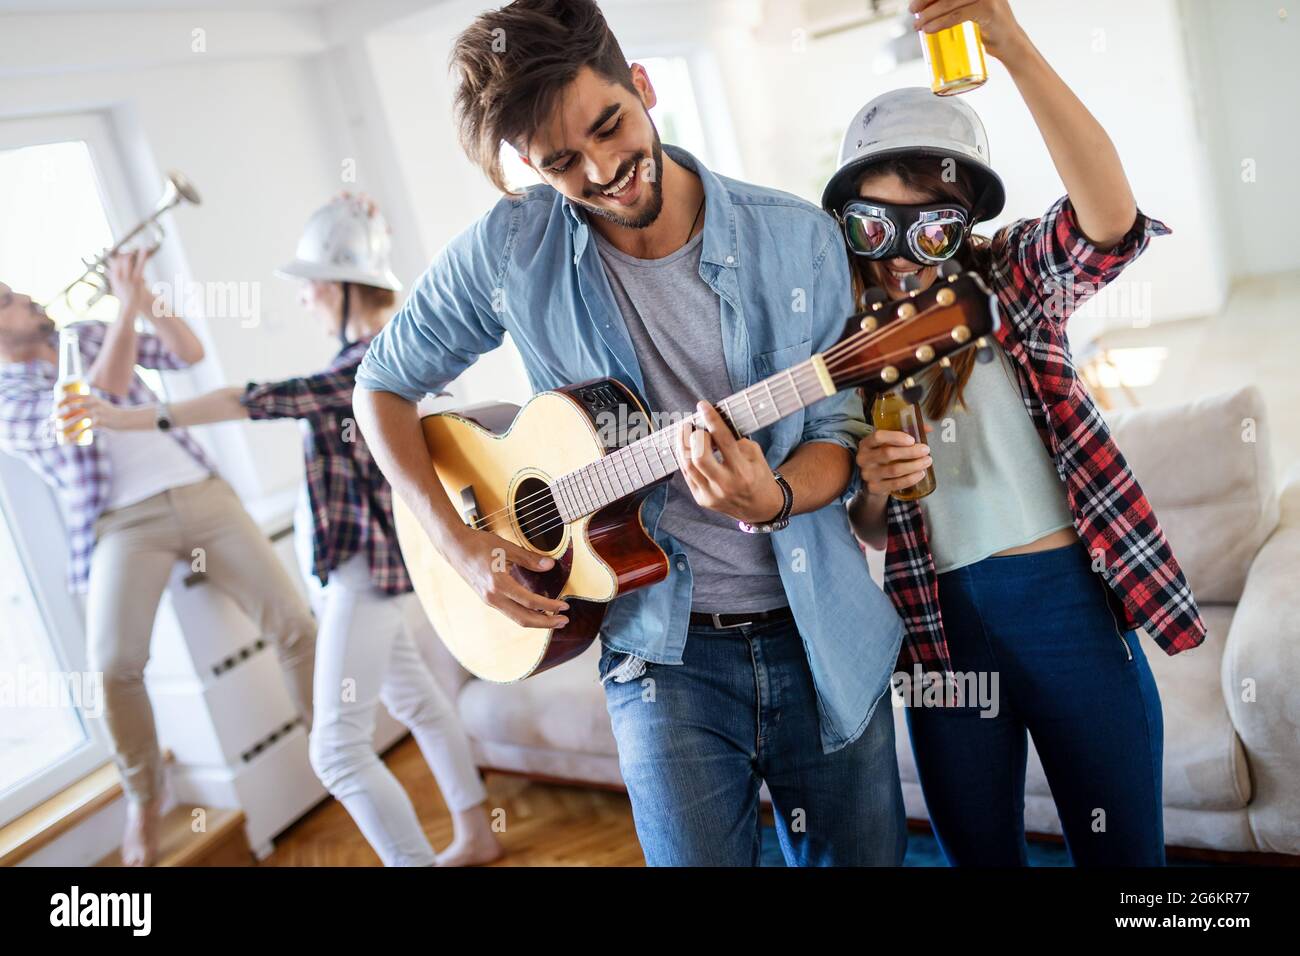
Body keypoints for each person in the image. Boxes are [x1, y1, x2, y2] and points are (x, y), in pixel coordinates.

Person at [350, 0, 906, 868]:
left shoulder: (797, 236)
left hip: (822, 631)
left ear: (642, 86)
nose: (606, 170)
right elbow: (379, 386)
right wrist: (459, 546)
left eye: (610, 125)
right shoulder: (513, 249)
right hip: (658, 650)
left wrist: (780, 493)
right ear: (530, 168)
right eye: (563, 162)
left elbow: (839, 427)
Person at [828, 0, 1206, 865]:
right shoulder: (840, 344)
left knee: (1128, 865)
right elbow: (866, 528)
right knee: (978, 855)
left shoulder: (1009, 288)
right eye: (873, 223)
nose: (899, 252)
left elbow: (1108, 220)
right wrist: (876, 487)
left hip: (1066, 608)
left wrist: (1013, 45)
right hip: (937, 628)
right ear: (845, 220)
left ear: (963, 222)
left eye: (930, 226)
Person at [61, 195, 504, 868]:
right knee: (417, 699)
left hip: (368, 572)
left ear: (331, 285)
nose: (302, 300)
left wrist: (135, 419)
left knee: (335, 751)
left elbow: (258, 397)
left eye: (305, 287)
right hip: (377, 568)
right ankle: (476, 832)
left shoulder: (368, 365)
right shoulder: (390, 349)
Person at [0, 253, 316, 866]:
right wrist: (122, 307)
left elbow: (188, 351)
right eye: (8, 300)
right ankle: (144, 800)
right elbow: (98, 401)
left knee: (294, 624)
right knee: (113, 665)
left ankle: (330, 748)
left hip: (199, 490)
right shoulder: (6, 396)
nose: (28, 298)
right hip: (122, 524)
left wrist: (145, 298)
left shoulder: (84, 332)